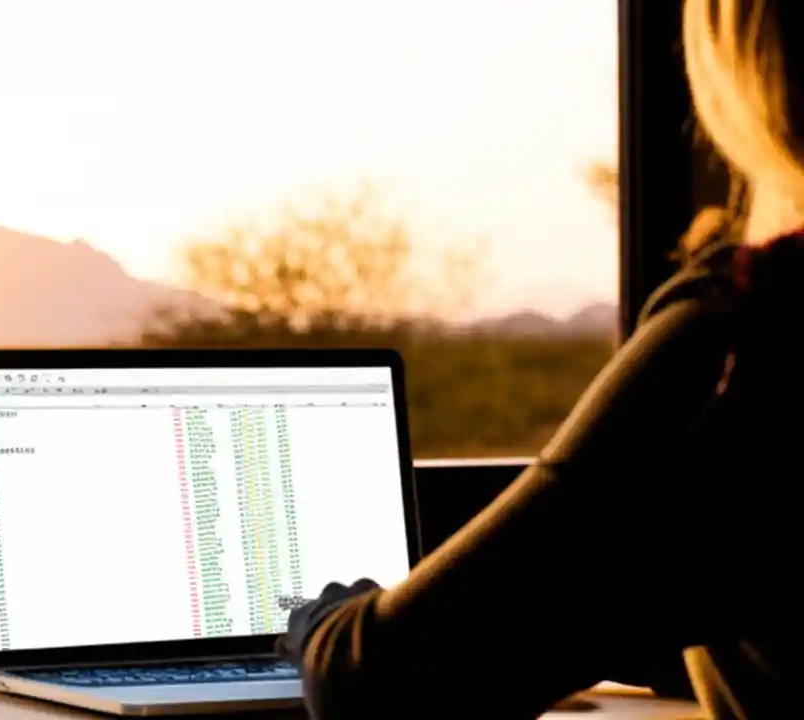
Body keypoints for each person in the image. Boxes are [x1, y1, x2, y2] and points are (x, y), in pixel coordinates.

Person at [277, 1, 804, 717]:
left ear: (738, 67)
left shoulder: (745, 340)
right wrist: (574, 624)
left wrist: (324, 622)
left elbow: (374, 684)